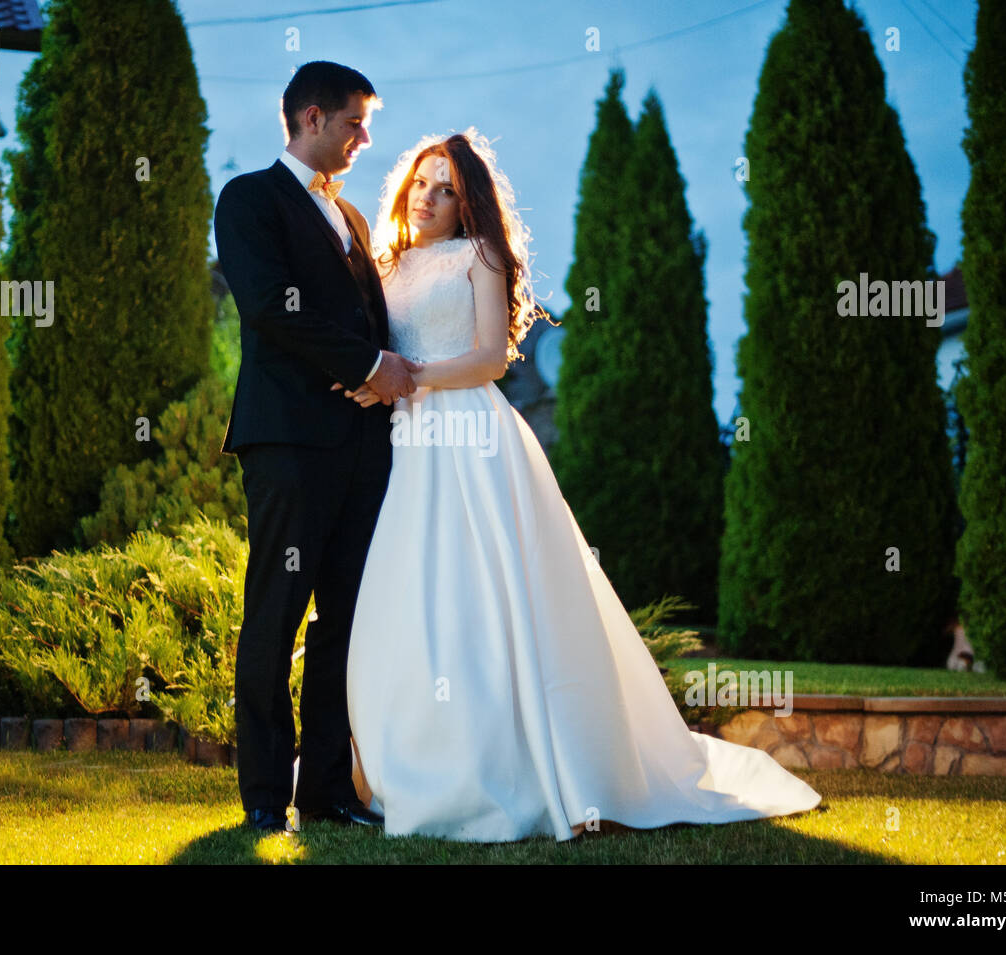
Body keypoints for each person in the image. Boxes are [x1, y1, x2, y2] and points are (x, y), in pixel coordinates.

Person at [336, 130, 824, 841]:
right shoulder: (391, 266)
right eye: (421, 183)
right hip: (408, 448)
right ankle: (407, 765)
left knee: (488, 600)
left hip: (472, 439)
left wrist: (407, 376)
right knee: (410, 599)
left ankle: (522, 767)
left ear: (468, 199)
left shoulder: (481, 256)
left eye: (447, 187)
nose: (430, 197)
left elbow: (488, 359)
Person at [213, 61, 420, 833]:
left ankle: (326, 791)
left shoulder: (355, 221)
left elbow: (372, 323)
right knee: (276, 612)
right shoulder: (249, 200)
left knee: (346, 619)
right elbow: (267, 308)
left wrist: (383, 378)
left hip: (364, 448)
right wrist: (368, 366)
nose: (366, 137)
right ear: (309, 118)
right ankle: (265, 793)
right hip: (289, 445)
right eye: (354, 122)